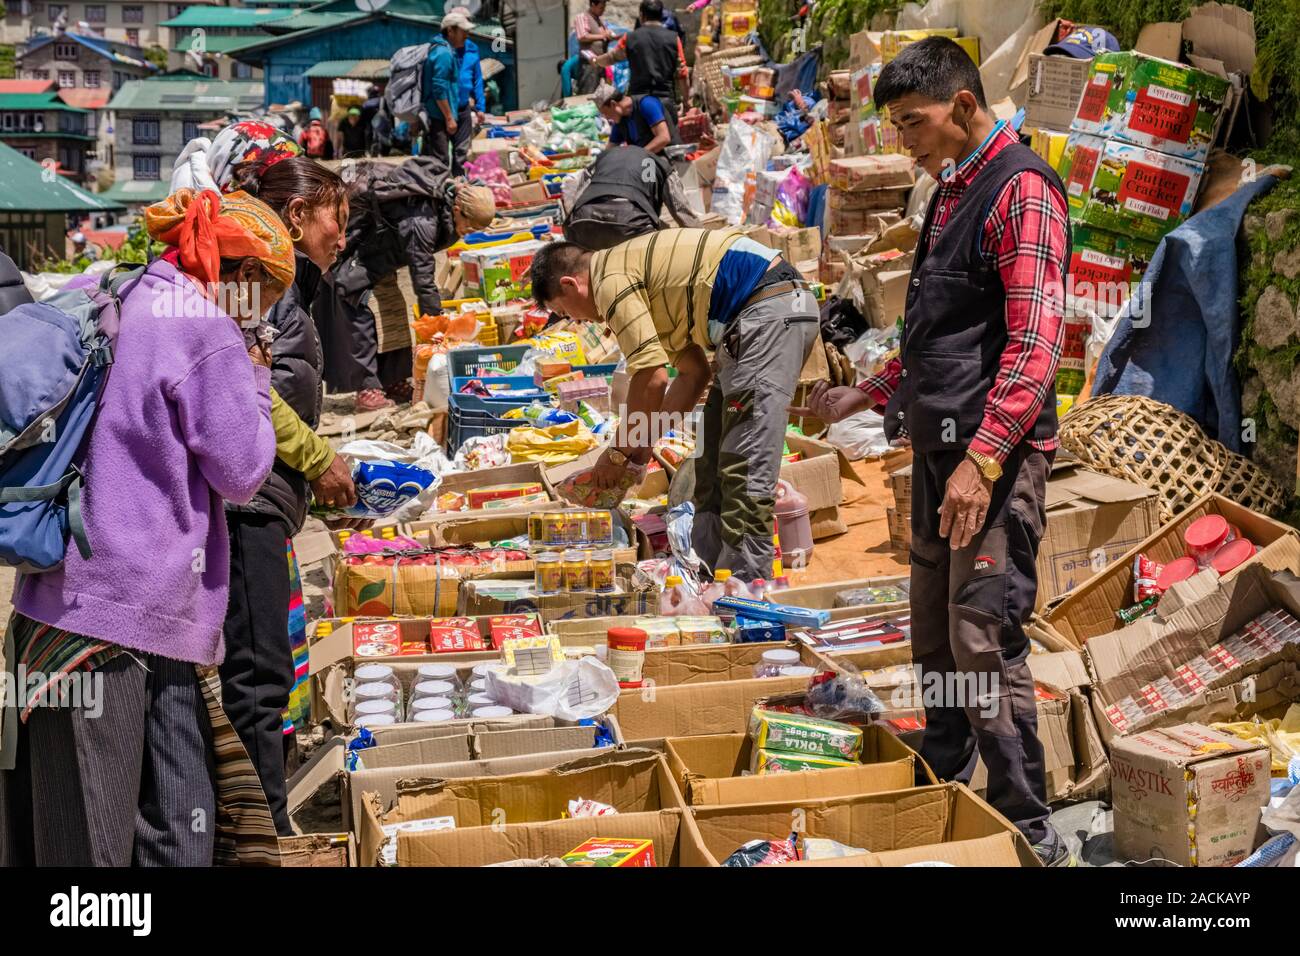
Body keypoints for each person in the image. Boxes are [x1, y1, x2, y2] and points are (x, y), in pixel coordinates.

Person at [793, 37, 1072, 866]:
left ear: (962, 105)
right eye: (895, 126)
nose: (903, 141)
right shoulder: (950, 189)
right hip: (940, 452)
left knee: (982, 635)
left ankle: (1026, 819)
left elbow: (1034, 347)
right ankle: (947, 768)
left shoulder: (1020, 189)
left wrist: (984, 463)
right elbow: (945, 334)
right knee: (932, 633)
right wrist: (874, 393)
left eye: (912, 123)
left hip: (991, 457)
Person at [0, 187, 290, 865]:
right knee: (152, 824)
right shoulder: (205, 325)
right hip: (129, 610)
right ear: (245, 276)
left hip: (69, 599)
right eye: (268, 298)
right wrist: (254, 374)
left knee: (84, 827)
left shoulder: (124, 291)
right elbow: (243, 471)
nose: (263, 317)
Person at [172, 121, 362, 834]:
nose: (341, 236)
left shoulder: (289, 285)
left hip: (262, 498)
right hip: (246, 500)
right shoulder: (261, 279)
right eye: (333, 219)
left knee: (262, 672)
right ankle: (263, 836)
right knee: (258, 677)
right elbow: (250, 388)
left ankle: (255, 824)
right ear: (294, 215)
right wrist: (318, 457)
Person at [531, 229, 818, 580]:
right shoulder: (644, 284)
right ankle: (708, 575)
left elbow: (651, 378)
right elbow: (692, 375)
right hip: (757, 319)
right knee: (710, 459)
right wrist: (641, 448)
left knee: (745, 465)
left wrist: (619, 452)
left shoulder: (610, 280)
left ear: (570, 284)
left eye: (564, 311)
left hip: (769, 311)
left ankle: (748, 593)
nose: (577, 321)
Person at [317, 156, 497, 410]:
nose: (469, 232)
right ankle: (366, 388)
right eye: (470, 227)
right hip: (358, 254)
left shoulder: (443, 206)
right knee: (358, 310)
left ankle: (394, 379)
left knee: (392, 313)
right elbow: (422, 276)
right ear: (457, 210)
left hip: (381, 255)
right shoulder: (421, 221)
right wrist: (436, 323)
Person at [563, 142, 706, 249]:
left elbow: (577, 195)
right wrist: (706, 242)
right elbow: (682, 212)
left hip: (584, 221)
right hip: (632, 223)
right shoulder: (662, 166)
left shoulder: (603, 157)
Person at [593, 0, 688, 137]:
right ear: (661, 16)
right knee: (668, 146)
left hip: (638, 104)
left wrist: (596, 61)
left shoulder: (630, 38)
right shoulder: (674, 39)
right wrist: (686, 101)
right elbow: (682, 74)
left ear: (641, 16)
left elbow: (611, 58)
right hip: (665, 103)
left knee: (641, 149)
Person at [424, 10, 469, 167]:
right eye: (463, 31)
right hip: (438, 118)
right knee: (440, 162)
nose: (466, 35)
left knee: (441, 160)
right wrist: (449, 117)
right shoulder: (443, 53)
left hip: (439, 116)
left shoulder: (445, 50)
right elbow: (438, 89)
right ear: (450, 31)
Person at [449, 6, 484, 176]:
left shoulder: (472, 49)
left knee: (460, 154)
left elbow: (477, 79)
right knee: (440, 155)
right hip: (444, 110)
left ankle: (458, 187)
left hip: (463, 108)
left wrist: (480, 107)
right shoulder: (444, 48)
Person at [593, 81, 675, 152]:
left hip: (669, 156)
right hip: (645, 159)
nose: (607, 118)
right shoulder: (620, 120)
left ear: (613, 104)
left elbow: (664, 138)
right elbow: (611, 146)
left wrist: (637, 156)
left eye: (606, 113)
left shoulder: (646, 104)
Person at [573, 0, 613, 94]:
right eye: (601, 8)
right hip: (588, 65)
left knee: (600, 96)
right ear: (592, 5)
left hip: (600, 64)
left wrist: (611, 37)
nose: (603, 10)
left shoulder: (598, 21)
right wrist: (603, 36)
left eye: (604, 7)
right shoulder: (582, 17)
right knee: (588, 94)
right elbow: (582, 36)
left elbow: (602, 37)